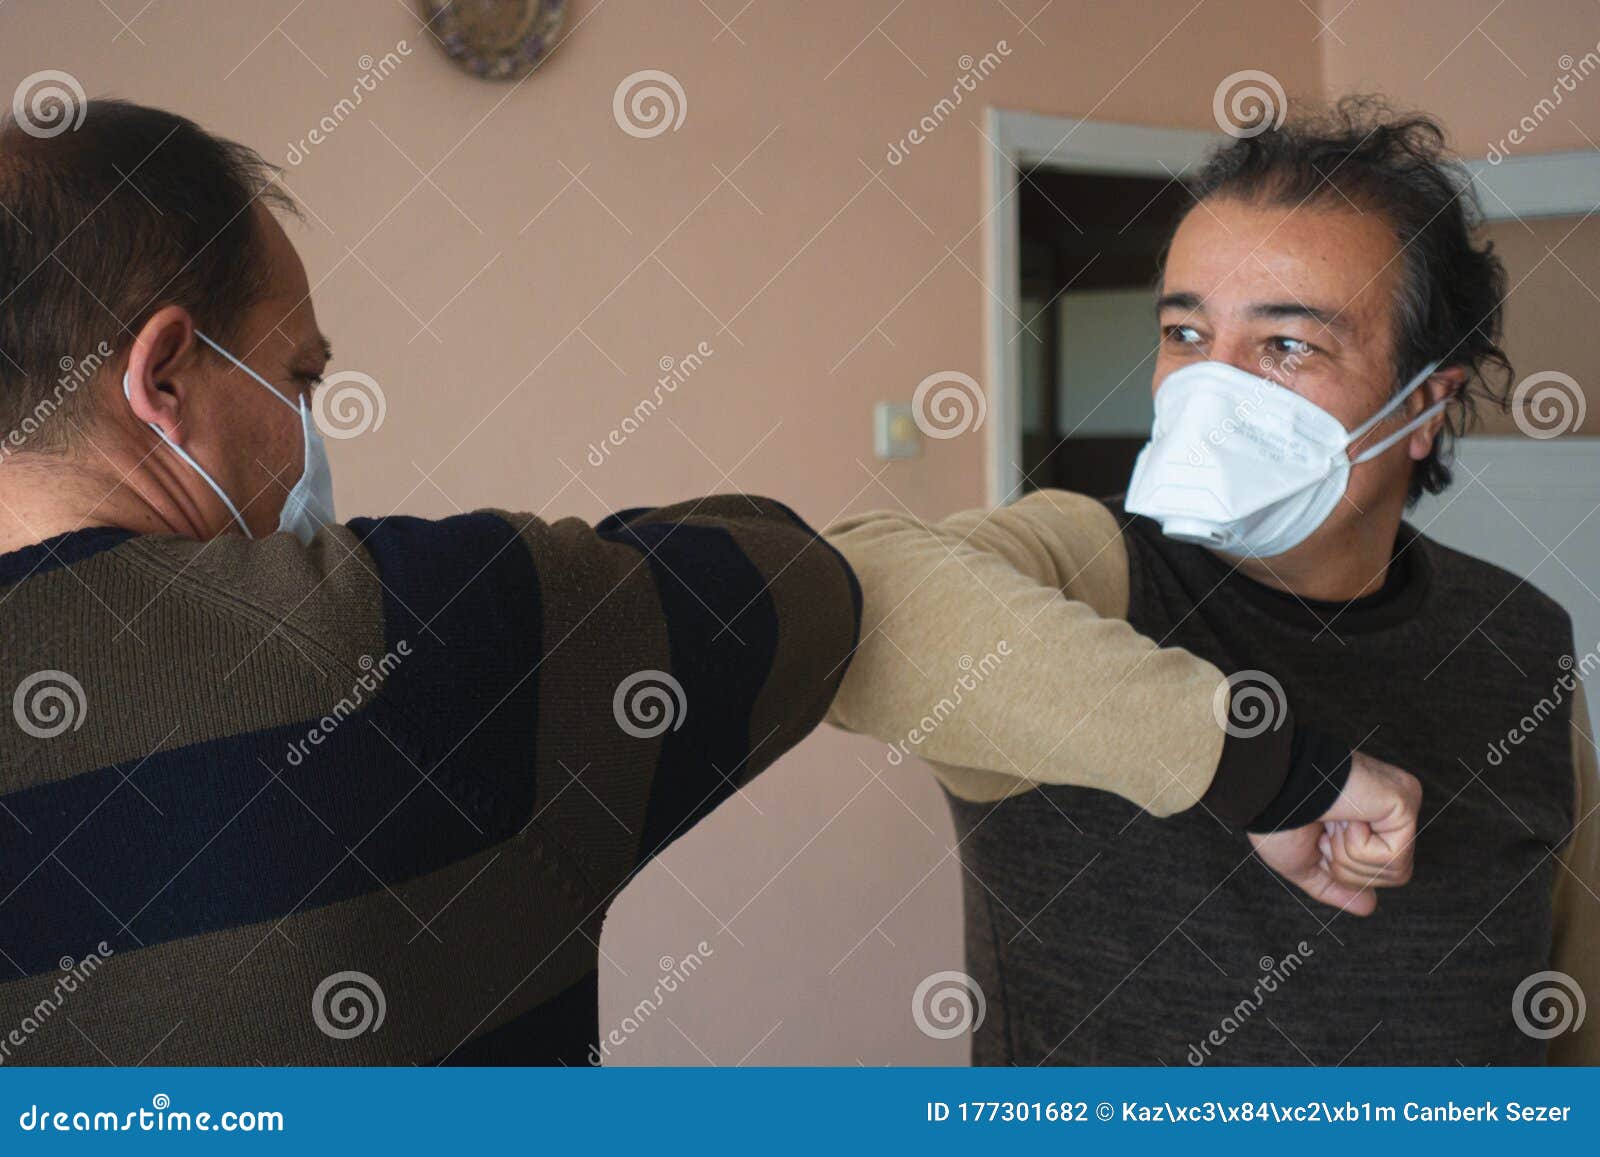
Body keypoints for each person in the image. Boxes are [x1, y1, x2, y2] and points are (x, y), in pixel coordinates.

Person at [0, 100, 866, 1065]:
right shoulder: (409, 634)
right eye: (301, 378)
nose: (309, 430)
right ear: (163, 376)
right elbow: (805, 588)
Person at [825, 98, 1598, 1065]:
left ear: (1424, 407)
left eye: (1287, 345)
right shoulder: (1092, 572)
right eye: (1187, 337)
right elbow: (852, 598)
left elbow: (1569, 997)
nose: (1211, 391)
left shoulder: (1519, 638)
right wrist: (1266, 768)